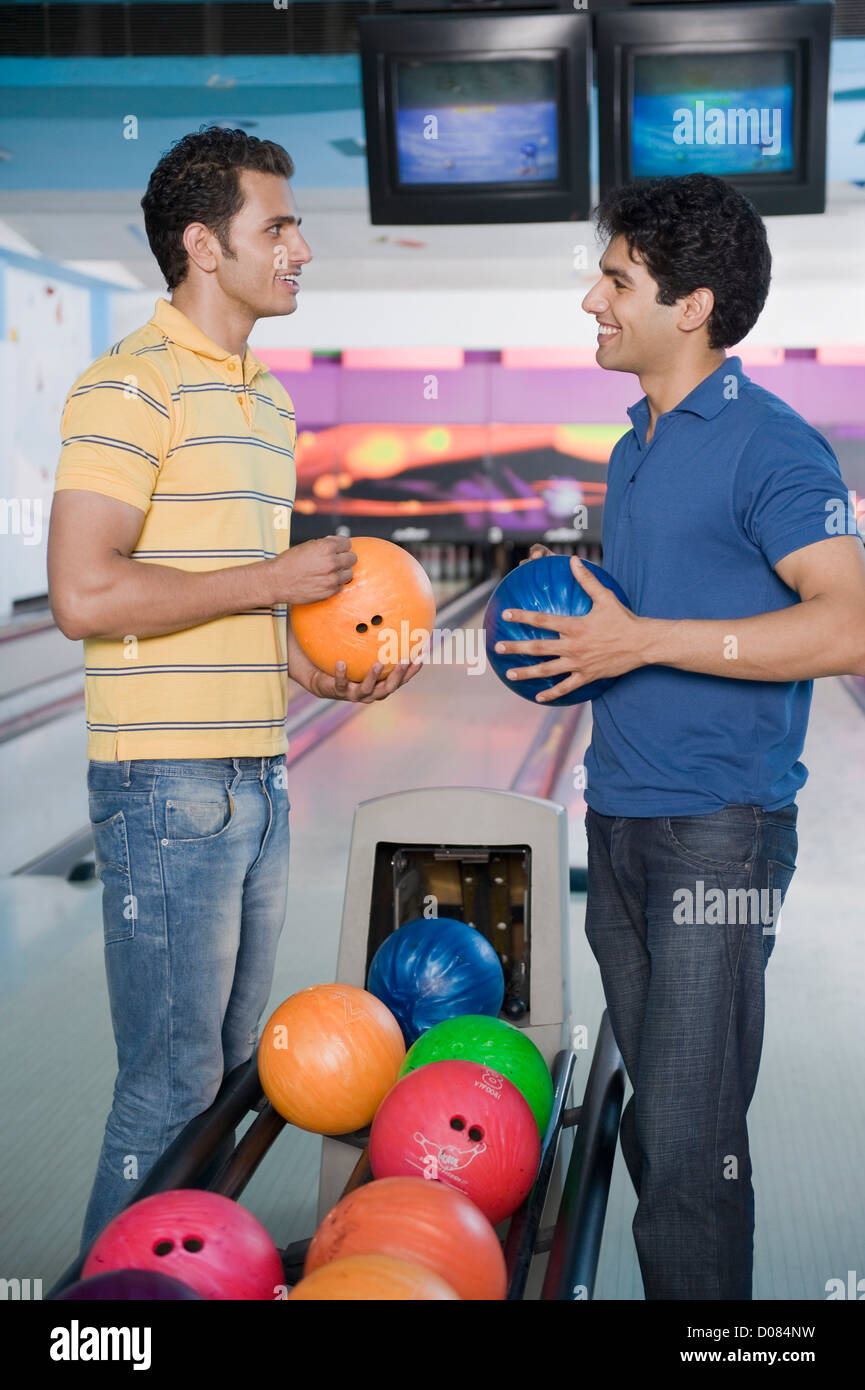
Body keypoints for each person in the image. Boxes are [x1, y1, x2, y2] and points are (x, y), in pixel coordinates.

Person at [47, 127, 421, 1253]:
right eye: (280, 226)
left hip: (254, 779)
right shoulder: (127, 386)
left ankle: (177, 1283)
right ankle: (103, 1316)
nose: (302, 246)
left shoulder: (264, 401)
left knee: (217, 1079)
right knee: (169, 1081)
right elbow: (83, 591)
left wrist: (316, 669)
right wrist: (275, 576)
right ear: (204, 246)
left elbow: (230, 609)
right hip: (166, 789)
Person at [497, 172, 865, 1299]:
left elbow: (845, 622)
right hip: (621, 818)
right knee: (662, 1127)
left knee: (692, 1151)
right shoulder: (636, 443)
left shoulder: (771, 446)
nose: (591, 303)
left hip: (721, 833)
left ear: (690, 306)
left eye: (616, 281)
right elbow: (644, 616)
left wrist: (638, 638)